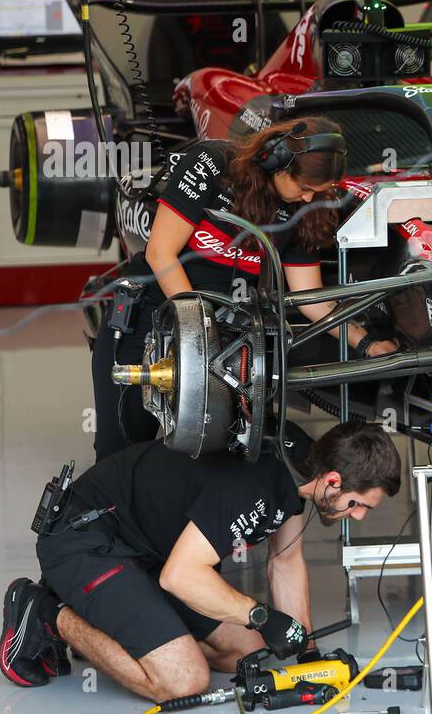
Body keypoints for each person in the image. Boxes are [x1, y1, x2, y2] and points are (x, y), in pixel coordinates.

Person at [0, 421, 401, 702]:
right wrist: (261, 615)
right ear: (333, 481)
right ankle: (45, 612)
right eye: (358, 504)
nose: (358, 516)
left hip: (151, 553)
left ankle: (147, 637)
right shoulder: (252, 485)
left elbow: (286, 560)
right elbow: (180, 577)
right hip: (86, 539)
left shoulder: (301, 464)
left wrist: (306, 649)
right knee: (184, 680)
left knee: (248, 652)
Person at [92, 116, 398, 461]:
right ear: (276, 161)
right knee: (120, 451)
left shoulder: (306, 209)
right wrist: (198, 338)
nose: (310, 197)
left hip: (222, 340)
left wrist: (366, 342)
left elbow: (312, 301)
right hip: (148, 321)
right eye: (304, 187)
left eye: (318, 191)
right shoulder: (212, 164)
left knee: (216, 458)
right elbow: (160, 253)